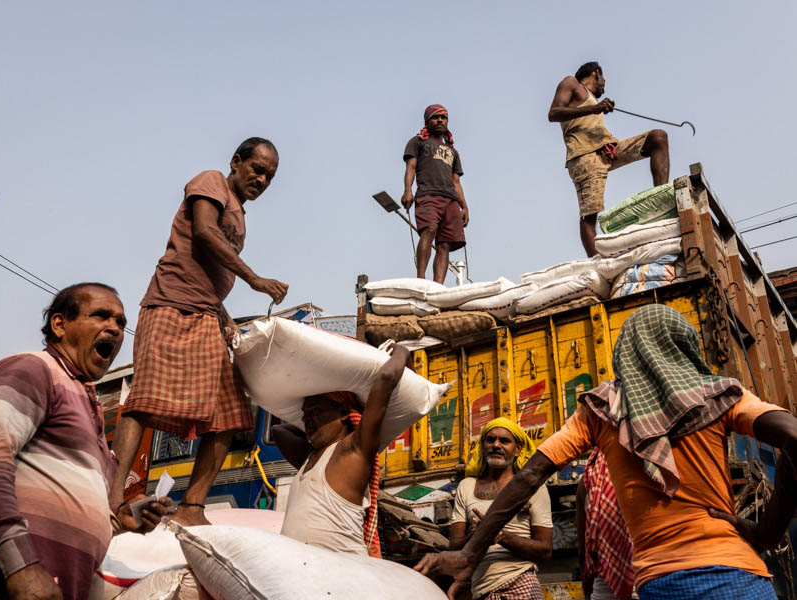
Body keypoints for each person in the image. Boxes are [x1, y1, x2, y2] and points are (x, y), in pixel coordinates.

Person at [415, 304, 797, 600]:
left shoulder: (601, 410)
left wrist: (470, 554)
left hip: (662, 582)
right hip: (738, 574)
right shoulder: (721, 395)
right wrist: (767, 531)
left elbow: (530, 474)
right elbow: (794, 437)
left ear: (625, 351)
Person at [0, 283, 171, 600]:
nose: (115, 328)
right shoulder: (31, 370)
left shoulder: (88, 406)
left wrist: (119, 518)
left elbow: (65, 505)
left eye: (121, 323)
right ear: (59, 324)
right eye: (101, 316)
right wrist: (21, 567)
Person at [108, 138, 289, 526]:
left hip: (206, 314)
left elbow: (207, 275)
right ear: (235, 162)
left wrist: (225, 319)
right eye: (257, 169)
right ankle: (112, 498)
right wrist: (254, 279)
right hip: (169, 305)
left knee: (229, 414)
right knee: (143, 402)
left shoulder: (240, 214)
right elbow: (205, 232)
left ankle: (192, 507)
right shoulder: (211, 181)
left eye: (270, 176)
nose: (262, 180)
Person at [273, 344, 411, 557]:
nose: (306, 419)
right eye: (304, 414)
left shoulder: (353, 450)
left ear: (344, 412)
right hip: (305, 569)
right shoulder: (309, 458)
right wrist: (313, 421)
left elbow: (385, 379)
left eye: (315, 411)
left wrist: (403, 351)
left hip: (342, 568)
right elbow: (278, 431)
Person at [547, 62, 670, 257]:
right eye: (604, 79)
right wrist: (594, 108)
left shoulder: (593, 101)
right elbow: (553, 113)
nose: (604, 85)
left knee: (658, 138)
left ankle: (660, 200)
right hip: (584, 157)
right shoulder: (571, 83)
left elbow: (591, 127)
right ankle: (598, 264)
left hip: (606, 151)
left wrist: (607, 139)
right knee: (589, 216)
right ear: (596, 74)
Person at [450, 418, 552, 600]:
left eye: (504, 441)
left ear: (518, 449)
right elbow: (453, 547)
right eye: (490, 440)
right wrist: (477, 535)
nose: (496, 445)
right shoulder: (466, 486)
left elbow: (545, 550)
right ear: (483, 446)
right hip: (481, 591)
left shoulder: (533, 487)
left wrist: (499, 535)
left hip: (520, 583)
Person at [402, 104, 469, 283]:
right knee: (429, 229)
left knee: (445, 243)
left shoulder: (453, 151)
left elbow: (456, 182)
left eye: (443, 117)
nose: (440, 120)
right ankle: (421, 280)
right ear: (427, 120)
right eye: (435, 117)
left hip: (451, 200)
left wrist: (464, 206)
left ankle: (438, 286)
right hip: (428, 195)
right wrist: (408, 190)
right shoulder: (417, 142)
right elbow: (411, 168)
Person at [576, 449, 635, 600]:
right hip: (645, 577)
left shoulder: (588, 480)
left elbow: (583, 549)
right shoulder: (643, 472)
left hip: (604, 582)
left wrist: (586, 580)